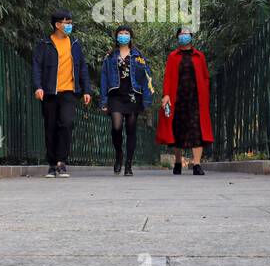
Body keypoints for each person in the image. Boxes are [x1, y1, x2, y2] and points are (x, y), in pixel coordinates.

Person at [32, 9, 91, 178]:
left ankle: (62, 162)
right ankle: (51, 164)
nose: (70, 26)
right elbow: (37, 66)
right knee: (50, 127)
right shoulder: (44, 44)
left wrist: (86, 89)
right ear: (57, 25)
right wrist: (38, 86)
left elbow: (82, 68)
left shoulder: (75, 44)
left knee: (66, 124)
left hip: (69, 92)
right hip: (50, 92)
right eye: (67, 23)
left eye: (70, 23)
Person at [156, 26, 212, 175]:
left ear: (191, 37)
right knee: (178, 130)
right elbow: (168, 76)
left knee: (197, 130)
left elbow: (206, 77)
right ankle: (178, 162)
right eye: (181, 34)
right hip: (178, 98)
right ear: (178, 37)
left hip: (196, 99)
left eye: (186, 34)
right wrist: (166, 95)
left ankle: (197, 164)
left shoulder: (200, 56)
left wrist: (205, 92)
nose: (184, 36)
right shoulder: (173, 56)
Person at [99, 25, 153, 176]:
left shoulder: (138, 56)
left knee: (131, 128)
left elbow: (146, 78)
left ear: (131, 36)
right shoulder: (110, 56)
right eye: (121, 33)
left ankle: (129, 164)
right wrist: (103, 101)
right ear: (116, 37)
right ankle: (119, 155)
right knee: (116, 126)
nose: (123, 35)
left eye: (126, 33)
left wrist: (147, 100)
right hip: (116, 95)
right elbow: (104, 78)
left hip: (133, 95)